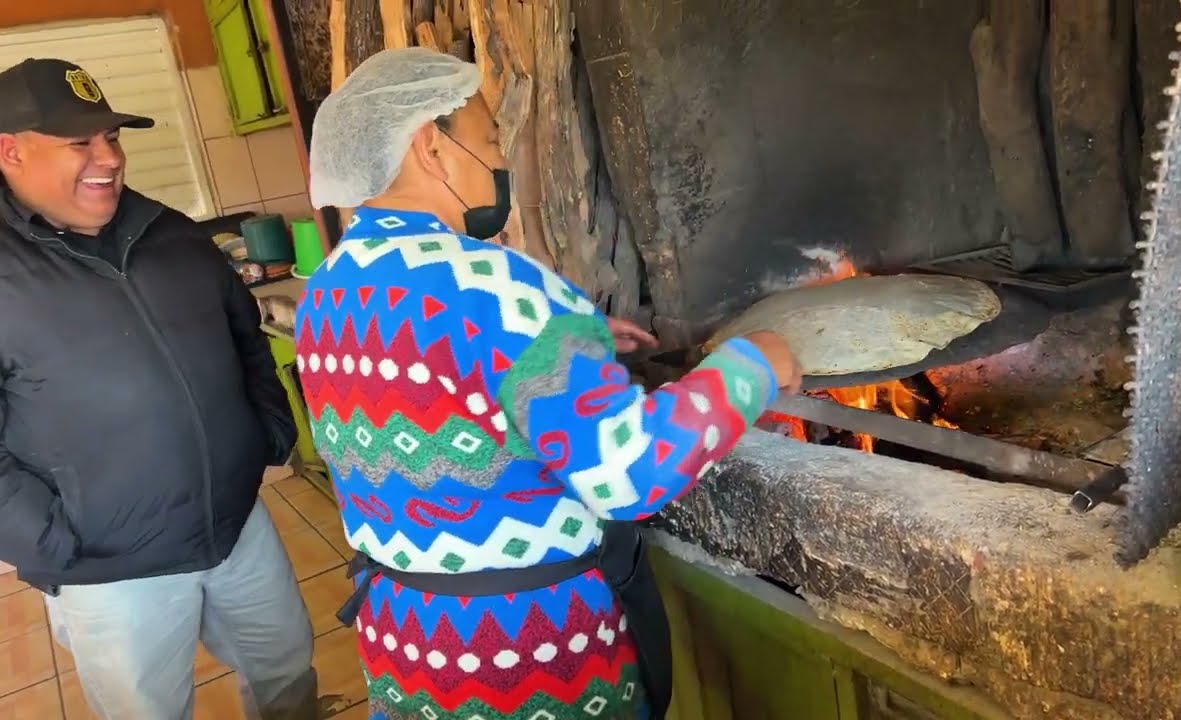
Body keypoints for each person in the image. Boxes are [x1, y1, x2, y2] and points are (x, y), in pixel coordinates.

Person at [297, 47, 802, 720]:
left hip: (407, 643)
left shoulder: (327, 291)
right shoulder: (495, 284)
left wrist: (573, 342)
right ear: (430, 147)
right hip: (527, 655)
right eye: (489, 138)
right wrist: (751, 367)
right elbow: (628, 473)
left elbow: (447, 381)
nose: (501, 158)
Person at [0, 58, 318, 719]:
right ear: (11, 150)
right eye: (79, 143)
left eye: (112, 137)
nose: (108, 157)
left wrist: (270, 431)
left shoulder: (170, 231)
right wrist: (52, 540)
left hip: (235, 525)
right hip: (111, 567)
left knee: (286, 673)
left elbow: (245, 337)